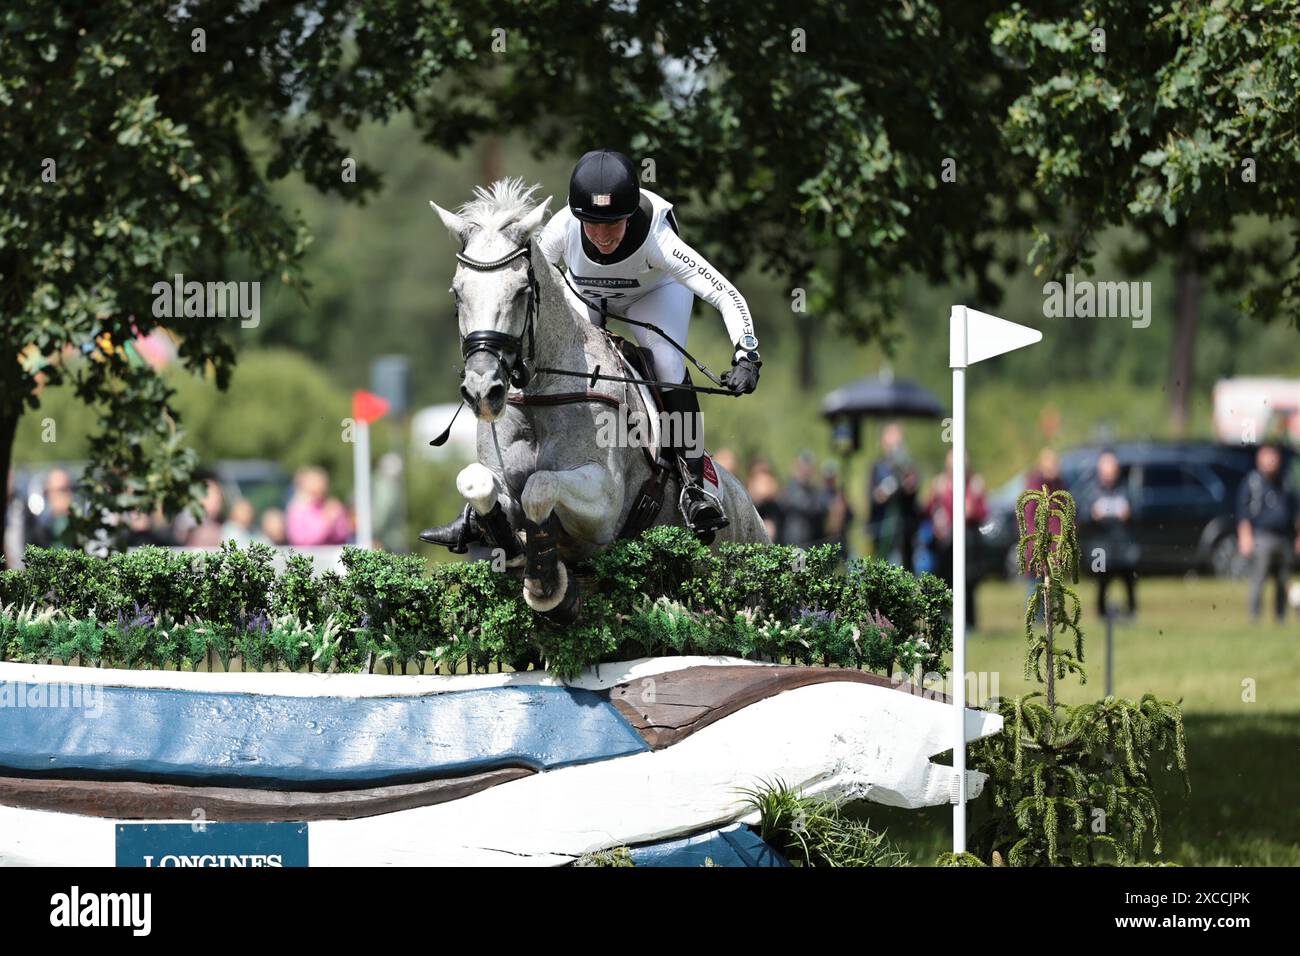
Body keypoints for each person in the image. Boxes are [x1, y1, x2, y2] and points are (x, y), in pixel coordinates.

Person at [538, 149, 761, 534]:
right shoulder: (560, 228)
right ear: (577, 217)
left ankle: (695, 485)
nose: (603, 236)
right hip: (586, 292)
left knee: (668, 366)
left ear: (629, 216)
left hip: (652, 295)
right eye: (592, 224)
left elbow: (725, 293)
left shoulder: (657, 236)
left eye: (613, 224)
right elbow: (528, 279)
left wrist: (747, 354)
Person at [1237, 443, 1300, 621]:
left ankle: (1281, 617)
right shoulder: (1253, 482)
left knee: (1283, 580)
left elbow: (1296, 511)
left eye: (1273, 456)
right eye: (1266, 456)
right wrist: (1245, 536)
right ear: (1259, 458)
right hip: (1262, 536)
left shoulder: (1286, 482)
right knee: (1259, 578)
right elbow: (1243, 513)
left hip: (1284, 537)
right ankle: (1254, 617)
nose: (1270, 461)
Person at [927, 450, 988, 629]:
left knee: (968, 582)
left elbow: (983, 512)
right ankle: (944, 620)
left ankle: (968, 623)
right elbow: (929, 509)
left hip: (968, 541)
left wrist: (972, 510)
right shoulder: (940, 484)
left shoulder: (975, 485)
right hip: (945, 542)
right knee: (945, 580)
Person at [1081, 450, 1138, 618]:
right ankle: (1101, 612)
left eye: (1113, 470)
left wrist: (1130, 512)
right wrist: (1092, 514)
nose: (1110, 475)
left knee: (1128, 579)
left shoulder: (1126, 488)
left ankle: (1131, 611)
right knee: (1102, 580)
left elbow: (1138, 509)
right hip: (1101, 546)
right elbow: (1081, 516)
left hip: (1123, 544)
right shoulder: (1091, 490)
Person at [867, 423, 920, 571]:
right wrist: (883, 492)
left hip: (905, 533)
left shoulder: (909, 466)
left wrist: (908, 482)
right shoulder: (877, 467)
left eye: (898, 443)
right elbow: (872, 497)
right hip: (883, 532)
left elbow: (913, 491)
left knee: (904, 571)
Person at [286, 466, 351, 546]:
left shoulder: (332, 506)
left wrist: (338, 518)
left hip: (333, 555)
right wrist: (327, 523)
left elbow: (342, 535)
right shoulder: (298, 509)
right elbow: (300, 540)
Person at [777, 451, 828, 546]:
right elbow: (806, 506)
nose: (807, 469)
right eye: (803, 465)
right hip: (794, 545)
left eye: (809, 466)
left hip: (811, 544)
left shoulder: (813, 490)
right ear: (796, 466)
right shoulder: (790, 488)